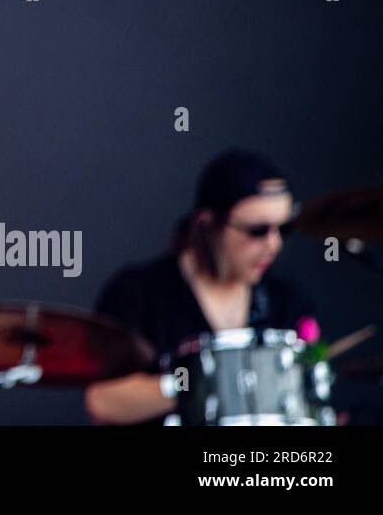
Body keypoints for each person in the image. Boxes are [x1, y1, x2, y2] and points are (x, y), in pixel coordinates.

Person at [84, 148, 318, 425]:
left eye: (284, 229)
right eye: (257, 231)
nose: (274, 244)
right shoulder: (139, 292)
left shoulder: (286, 300)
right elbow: (101, 402)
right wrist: (202, 382)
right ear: (208, 225)